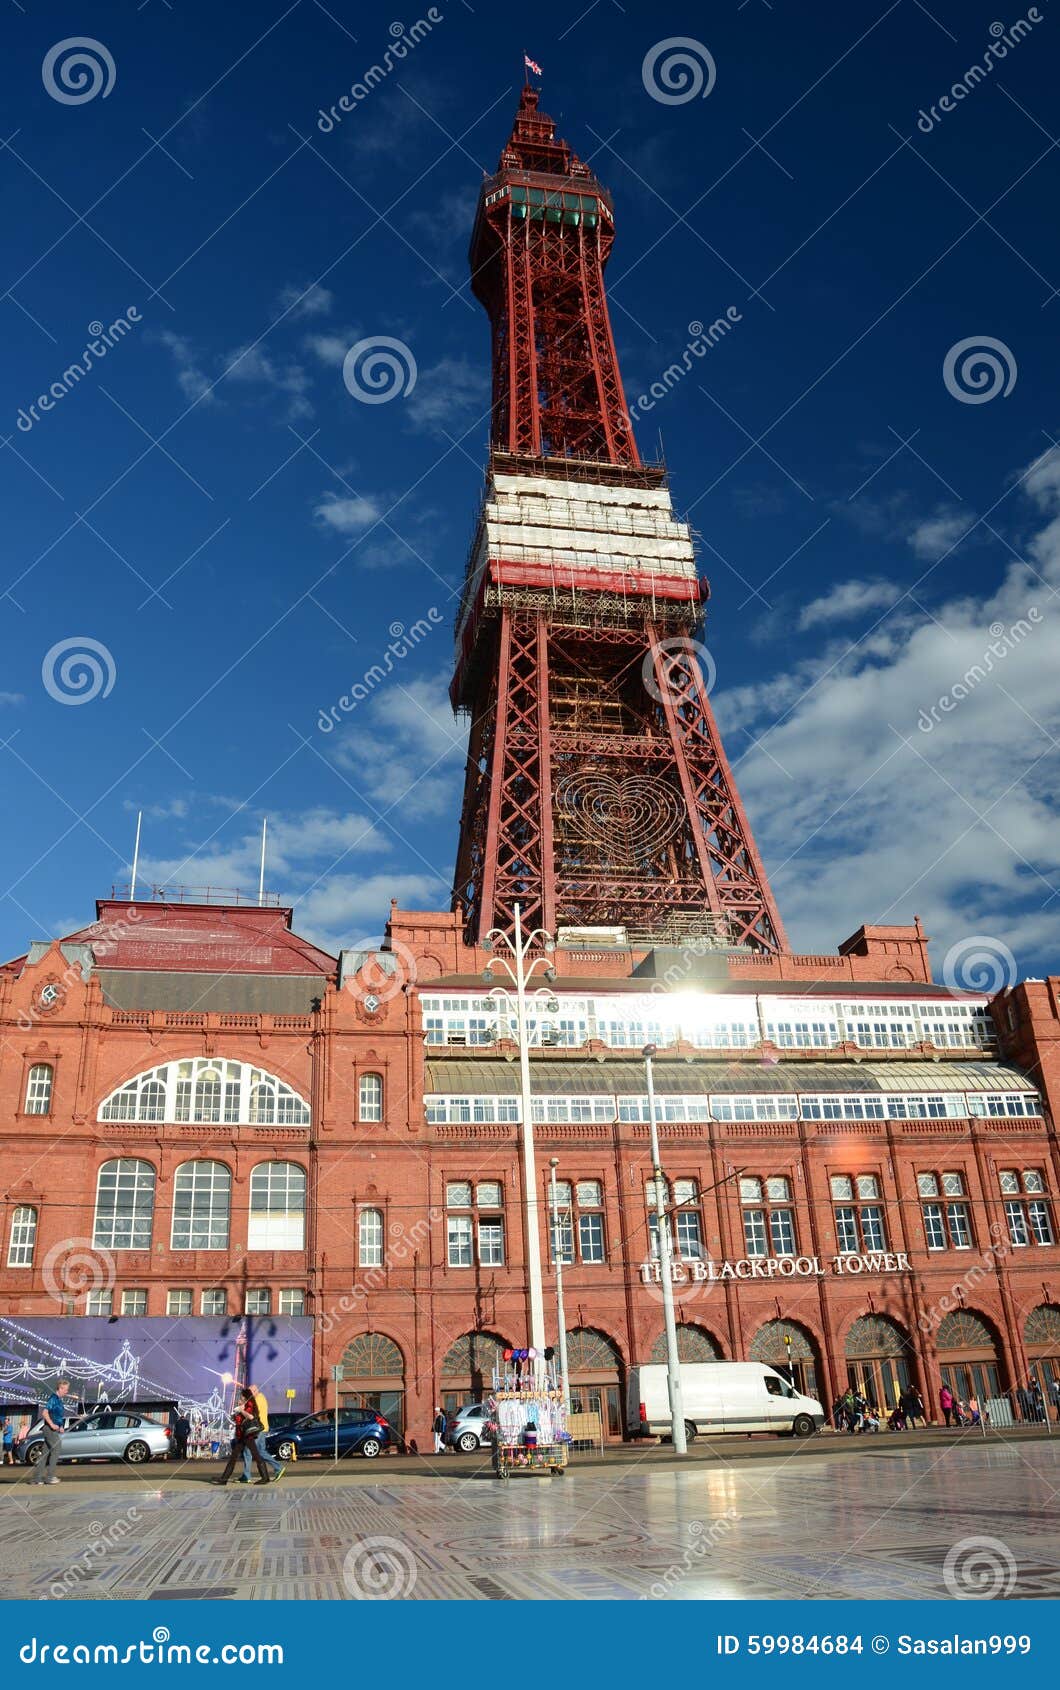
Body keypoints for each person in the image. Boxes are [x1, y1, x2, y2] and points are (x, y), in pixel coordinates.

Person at [211, 1392, 273, 1486]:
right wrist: (235, 1413)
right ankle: (224, 1479)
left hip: (247, 1435)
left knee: (255, 1455)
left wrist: (241, 1410)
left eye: (241, 1398)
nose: (239, 1400)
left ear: (246, 1398)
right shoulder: (244, 1406)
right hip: (242, 1436)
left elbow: (251, 1417)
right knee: (234, 1457)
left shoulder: (250, 1406)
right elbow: (239, 1420)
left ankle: (265, 1477)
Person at [240, 1387, 284, 1484]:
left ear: (255, 1391)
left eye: (250, 1392)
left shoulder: (258, 1399)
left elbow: (252, 1414)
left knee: (248, 1451)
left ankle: (246, 1476)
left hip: (258, 1430)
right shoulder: (261, 1397)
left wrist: (242, 1408)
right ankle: (278, 1468)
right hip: (262, 1429)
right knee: (261, 1451)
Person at [33, 1379, 70, 1485]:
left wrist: (61, 1426)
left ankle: (37, 1478)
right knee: (57, 1448)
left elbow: (57, 1416)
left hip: (53, 1429)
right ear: (61, 1388)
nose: (67, 1392)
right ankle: (50, 1477)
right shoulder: (53, 1398)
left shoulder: (59, 1400)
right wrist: (52, 1424)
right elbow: (45, 1413)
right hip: (49, 1429)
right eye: (66, 1390)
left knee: (45, 1453)